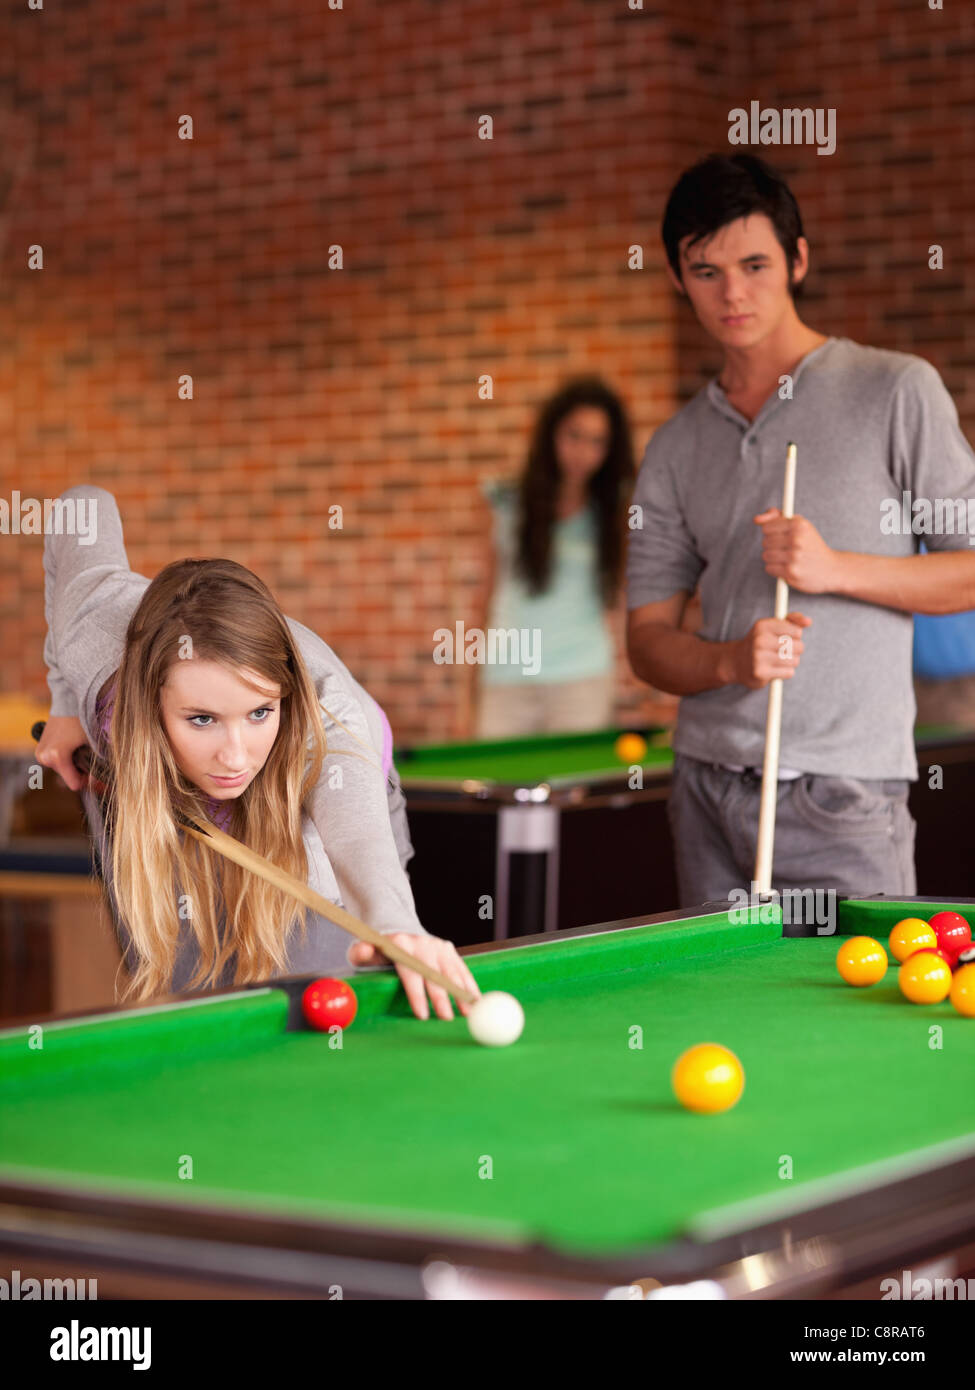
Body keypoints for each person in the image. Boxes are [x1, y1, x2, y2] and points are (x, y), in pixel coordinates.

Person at [626, 153, 975, 907]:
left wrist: (834, 568)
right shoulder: (675, 445)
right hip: (705, 789)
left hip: (844, 794)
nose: (733, 292)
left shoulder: (893, 389)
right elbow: (646, 638)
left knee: (858, 1017)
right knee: (723, 1022)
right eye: (705, 269)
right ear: (675, 277)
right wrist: (728, 665)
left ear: (797, 260)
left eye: (754, 263)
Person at [37, 485, 478, 1017]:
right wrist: (65, 702)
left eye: (259, 712)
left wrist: (396, 924)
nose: (236, 756)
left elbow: (356, 836)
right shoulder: (93, 629)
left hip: (300, 798)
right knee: (188, 984)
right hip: (162, 790)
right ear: (146, 701)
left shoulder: (326, 724)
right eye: (202, 719)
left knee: (311, 991)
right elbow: (84, 504)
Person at [468, 377, 635, 738]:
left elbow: (626, 596)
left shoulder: (613, 511)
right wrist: (468, 695)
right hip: (506, 677)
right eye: (574, 435)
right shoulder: (504, 501)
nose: (583, 451)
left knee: (574, 792)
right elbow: (483, 599)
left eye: (597, 441)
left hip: (581, 680)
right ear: (552, 435)